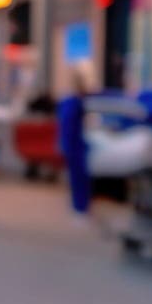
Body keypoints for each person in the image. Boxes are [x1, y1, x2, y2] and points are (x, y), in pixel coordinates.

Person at [57, 72, 91, 214]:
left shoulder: (70, 101)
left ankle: (79, 205)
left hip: (73, 141)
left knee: (77, 176)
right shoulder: (74, 102)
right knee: (78, 176)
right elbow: (68, 124)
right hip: (74, 142)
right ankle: (80, 206)